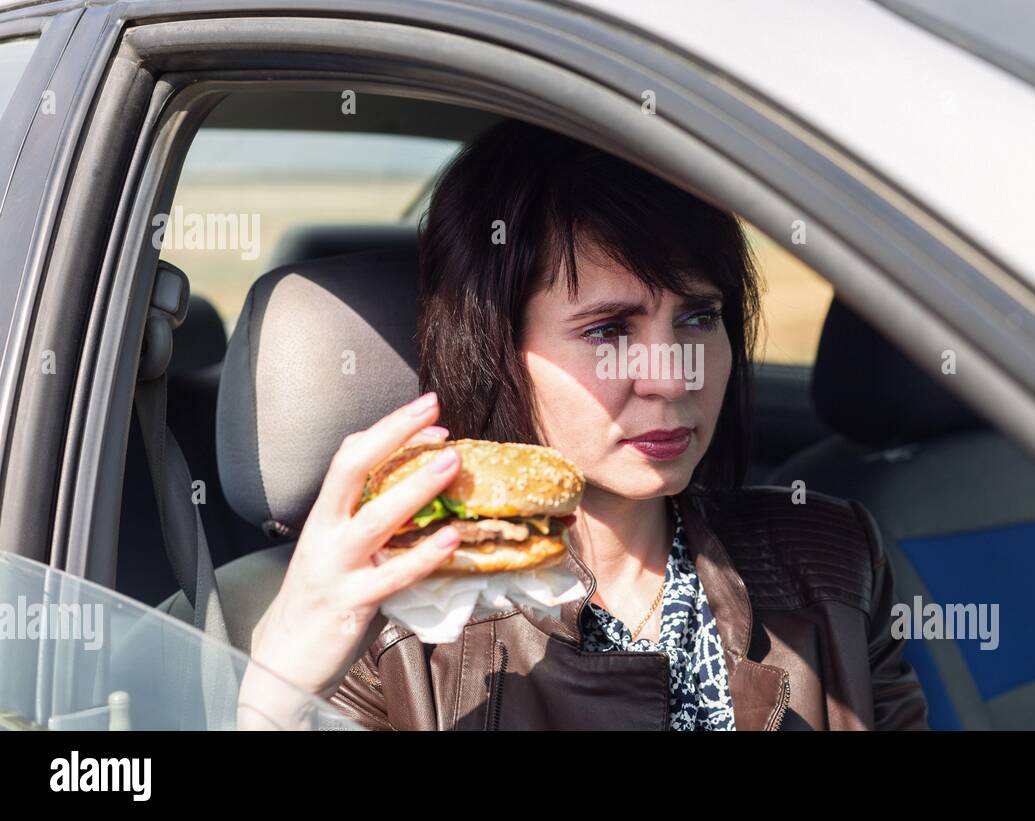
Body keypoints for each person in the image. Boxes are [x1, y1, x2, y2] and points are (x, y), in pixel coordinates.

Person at [242, 119, 929, 730]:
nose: (670, 376)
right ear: (498, 348)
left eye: (698, 317)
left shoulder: (831, 563)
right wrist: (277, 698)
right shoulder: (403, 624)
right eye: (607, 329)